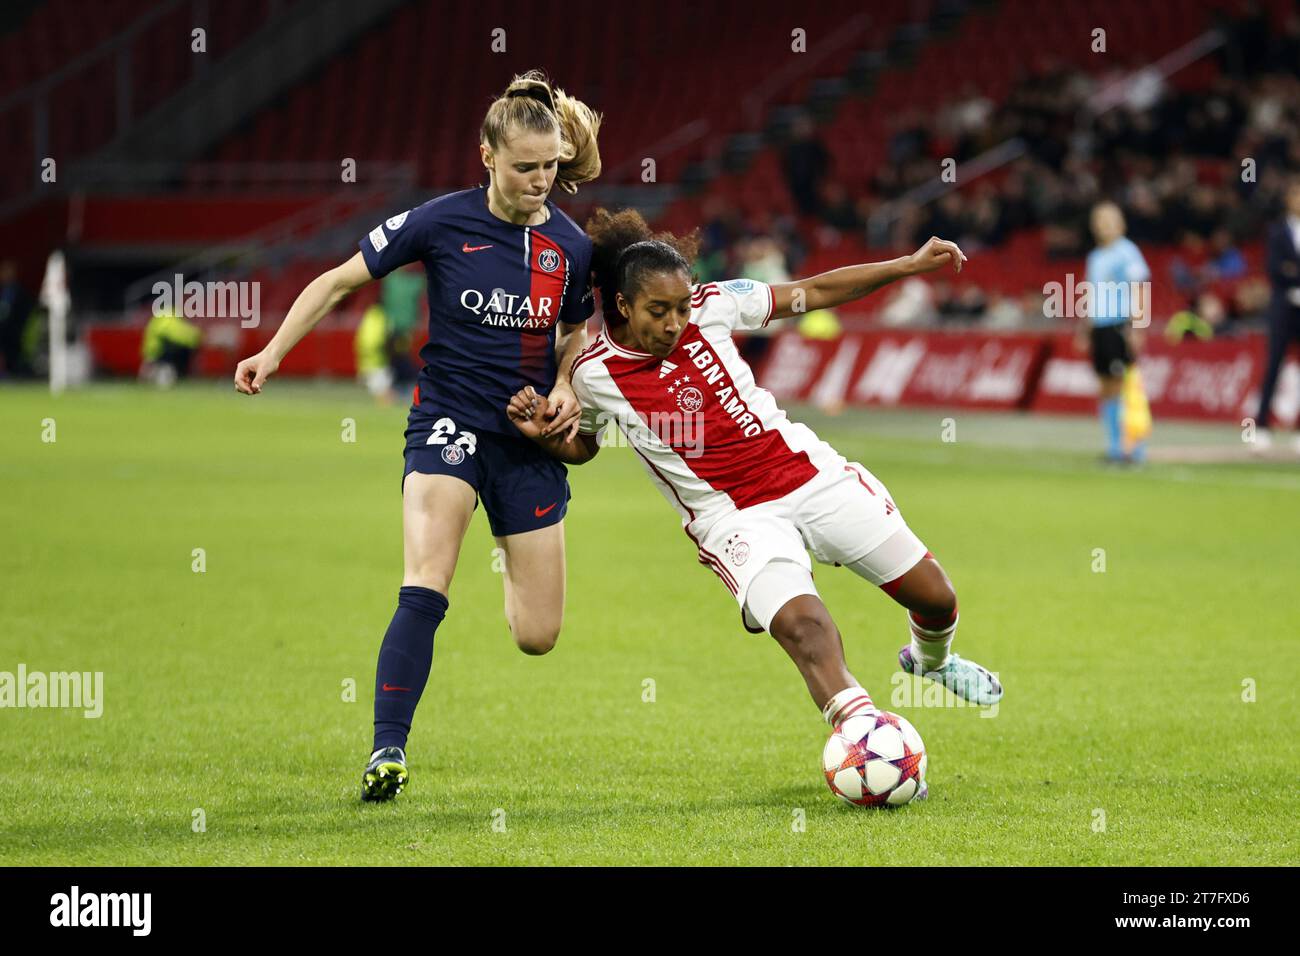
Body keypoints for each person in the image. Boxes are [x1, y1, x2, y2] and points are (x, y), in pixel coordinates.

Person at [232, 71, 602, 802]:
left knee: (537, 634)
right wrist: (271, 352)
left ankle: (508, 544)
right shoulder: (438, 222)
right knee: (425, 579)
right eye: (525, 167)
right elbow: (338, 281)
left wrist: (564, 386)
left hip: (526, 444)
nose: (539, 181)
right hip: (448, 421)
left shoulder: (571, 245)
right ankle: (386, 752)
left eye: (551, 168)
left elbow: (575, 332)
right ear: (487, 157)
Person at [506, 209, 1002, 750]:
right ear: (622, 306)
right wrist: (546, 437)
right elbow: (585, 446)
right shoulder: (592, 373)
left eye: (680, 306)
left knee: (935, 597)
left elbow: (811, 292)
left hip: (809, 476)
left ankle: (932, 663)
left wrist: (906, 265)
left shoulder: (714, 305)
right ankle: (866, 742)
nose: (674, 323)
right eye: (658, 311)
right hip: (733, 518)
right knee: (803, 626)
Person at [1077, 201, 1152, 463]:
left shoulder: (1127, 252)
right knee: (1106, 387)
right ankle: (1114, 447)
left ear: (1121, 224)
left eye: (1108, 219)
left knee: (1126, 384)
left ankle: (1135, 447)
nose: (1102, 225)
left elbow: (1140, 288)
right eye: (1098, 220)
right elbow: (1091, 294)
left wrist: (1138, 327)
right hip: (1100, 327)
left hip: (1120, 325)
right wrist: (1085, 328)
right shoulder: (1095, 257)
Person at [1253, 177, 1300, 453]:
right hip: (1284, 307)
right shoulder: (1277, 231)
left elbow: (1287, 268)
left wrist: (1291, 271)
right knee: (1274, 366)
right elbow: (1275, 269)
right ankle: (1261, 426)